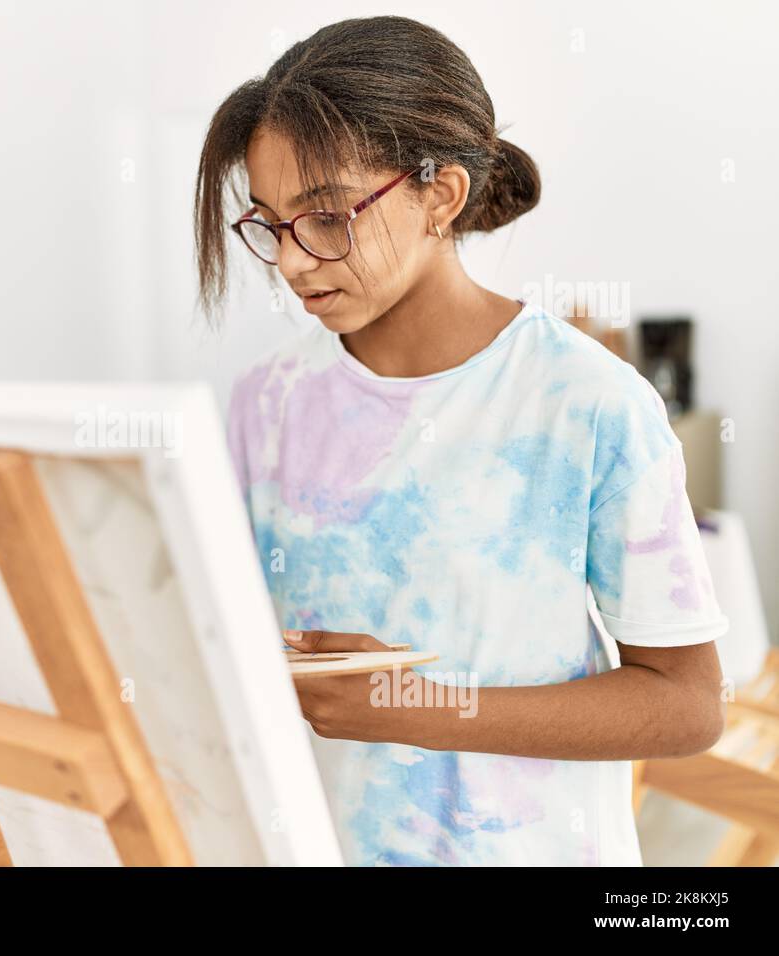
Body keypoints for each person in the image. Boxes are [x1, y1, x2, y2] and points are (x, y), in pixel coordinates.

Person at [194, 16, 727, 865]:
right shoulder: (268, 401)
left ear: (440, 196)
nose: (291, 262)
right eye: (270, 222)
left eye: (325, 216)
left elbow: (688, 705)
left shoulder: (586, 403)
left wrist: (418, 708)